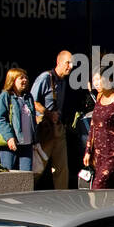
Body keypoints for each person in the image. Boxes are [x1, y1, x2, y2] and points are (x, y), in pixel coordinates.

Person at [30, 49, 75, 189]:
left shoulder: (63, 82)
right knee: (38, 167)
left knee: (62, 168)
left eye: (72, 64)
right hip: (45, 129)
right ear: (58, 62)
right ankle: (26, 194)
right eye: (68, 63)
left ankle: (63, 199)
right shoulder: (45, 78)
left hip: (58, 129)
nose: (71, 66)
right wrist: (48, 113)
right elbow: (32, 101)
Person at [0, 69, 35, 173]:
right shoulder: (5, 96)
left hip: (27, 144)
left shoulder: (28, 97)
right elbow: (1, 119)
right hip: (11, 144)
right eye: (21, 78)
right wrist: (9, 137)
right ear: (12, 80)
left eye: (26, 77)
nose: (25, 80)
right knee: (8, 174)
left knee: (26, 176)